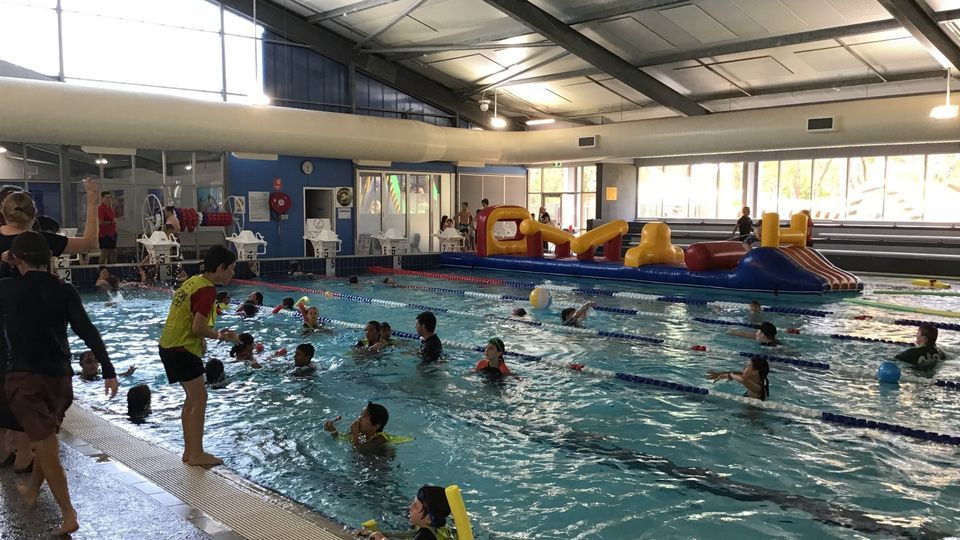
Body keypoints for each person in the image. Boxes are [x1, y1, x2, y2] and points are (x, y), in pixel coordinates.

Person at [0, 231, 119, 535]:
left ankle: (68, 513)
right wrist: (108, 369)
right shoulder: (64, 290)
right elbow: (87, 331)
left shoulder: (6, 290)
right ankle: (32, 490)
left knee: (47, 446)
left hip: (25, 380)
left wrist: (6, 265)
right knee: (47, 439)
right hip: (60, 380)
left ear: (17, 259)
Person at [158, 245, 240, 466]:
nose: (233, 273)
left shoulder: (194, 281)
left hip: (168, 346)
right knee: (200, 398)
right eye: (231, 268)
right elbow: (197, 327)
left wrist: (202, 338)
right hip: (181, 350)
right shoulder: (208, 290)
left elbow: (187, 317)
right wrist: (220, 336)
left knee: (192, 399)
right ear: (220, 267)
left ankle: (189, 451)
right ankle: (196, 453)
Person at [357, 485, 452, 540]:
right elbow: (409, 535)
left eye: (415, 506)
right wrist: (381, 533)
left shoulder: (426, 536)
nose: (410, 507)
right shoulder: (438, 527)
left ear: (428, 519)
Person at [323, 401, 390, 451]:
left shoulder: (381, 439)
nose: (359, 418)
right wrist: (333, 430)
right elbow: (339, 438)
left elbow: (358, 450)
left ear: (376, 425)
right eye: (360, 414)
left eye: (364, 416)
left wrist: (355, 433)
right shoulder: (360, 435)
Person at [98, 190, 118, 264]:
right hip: (104, 235)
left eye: (110, 197)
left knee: (113, 253)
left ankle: (111, 271)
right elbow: (100, 222)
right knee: (104, 253)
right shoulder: (101, 208)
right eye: (107, 197)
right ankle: (101, 271)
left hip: (112, 234)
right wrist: (111, 222)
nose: (109, 199)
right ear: (102, 198)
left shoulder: (110, 208)